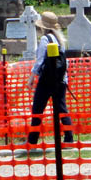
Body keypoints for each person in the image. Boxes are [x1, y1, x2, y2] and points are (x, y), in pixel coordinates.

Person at [26, 11, 74, 145]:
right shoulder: (60, 40)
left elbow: (40, 60)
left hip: (46, 81)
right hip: (60, 80)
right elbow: (65, 62)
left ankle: (32, 140)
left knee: (37, 110)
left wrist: (31, 78)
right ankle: (69, 138)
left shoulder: (45, 39)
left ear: (43, 26)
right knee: (62, 109)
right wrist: (65, 79)